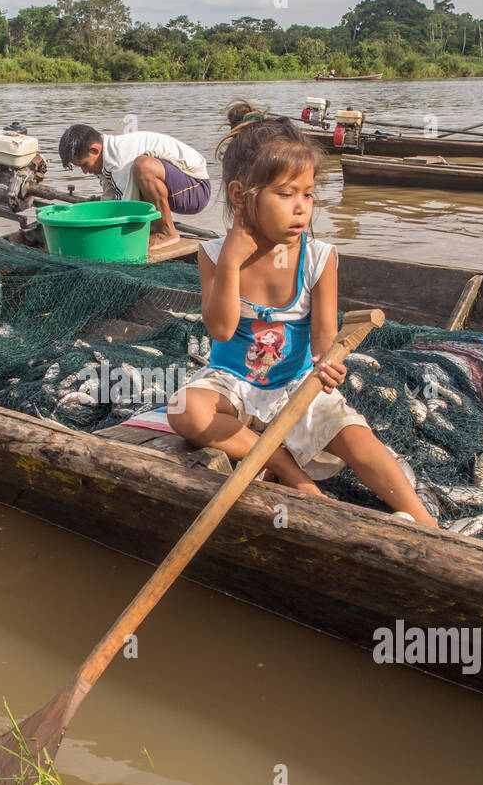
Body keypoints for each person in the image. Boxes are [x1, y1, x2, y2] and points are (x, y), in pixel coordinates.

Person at [166, 101, 438, 526]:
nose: (301, 208)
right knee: (185, 409)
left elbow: (325, 339)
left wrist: (328, 366)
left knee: (357, 437)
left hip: (295, 384)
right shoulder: (215, 255)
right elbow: (219, 329)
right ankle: (293, 474)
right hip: (231, 382)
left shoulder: (319, 258)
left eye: (308, 194)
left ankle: (425, 521)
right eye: (286, 194)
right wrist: (233, 265)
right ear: (241, 196)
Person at [57, 124, 211, 255]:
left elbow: (128, 206)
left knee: (143, 167)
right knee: (139, 172)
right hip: (178, 184)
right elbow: (110, 201)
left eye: (85, 165)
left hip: (196, 189)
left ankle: (166, 231)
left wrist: (118, 240)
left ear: (95, 150)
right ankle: (156, 226)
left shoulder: (120, 161)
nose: (85, 172)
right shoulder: (107, 158)